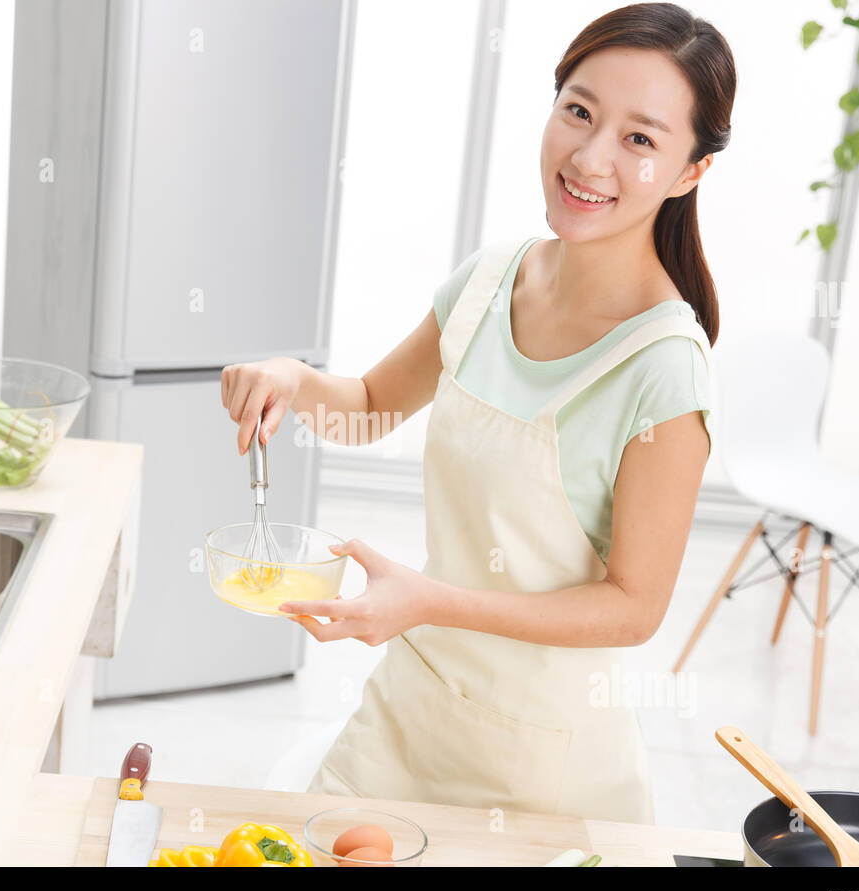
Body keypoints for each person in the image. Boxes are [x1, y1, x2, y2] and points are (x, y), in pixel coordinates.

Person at [218, 2, 736, 824]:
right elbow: (372, 407)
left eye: (640, 138)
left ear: (689, 172)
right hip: (409, 713)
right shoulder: (493, 278)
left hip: (539, 765)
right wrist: (296, 379)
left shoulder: (664, 370)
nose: (590, 157)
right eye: (579, 111)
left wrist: (430, 600)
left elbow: (633, 607)